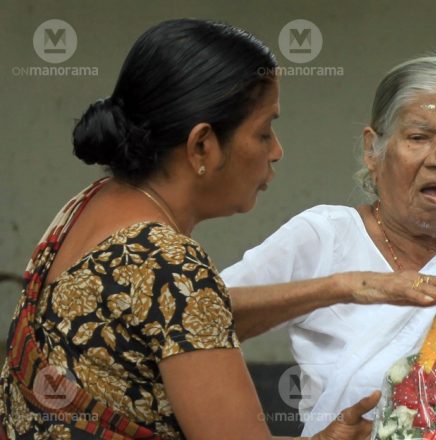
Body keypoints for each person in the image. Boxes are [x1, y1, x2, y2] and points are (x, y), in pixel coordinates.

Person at [0, 19, 378, 440]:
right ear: (202, 145)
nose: (277, 151)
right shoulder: (169, 264)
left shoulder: (88, 205)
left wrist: (338, 288)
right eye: (265, 131)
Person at [221, 56, 436, 436]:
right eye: (419, 137)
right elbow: (193, 319)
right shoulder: (325, 237)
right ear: (373, 150)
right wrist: (340, 287)